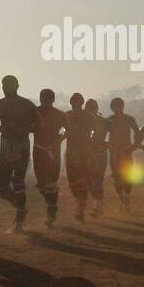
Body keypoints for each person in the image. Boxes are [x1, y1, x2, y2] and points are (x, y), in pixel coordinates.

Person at [0, 75, 39, 233]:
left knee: (18, 181)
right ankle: (20, 208)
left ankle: (19, 221)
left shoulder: (27, 105)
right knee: (3, 186)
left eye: (8, 85)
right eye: (4, 85)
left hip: (21, 145)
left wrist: (24, 129)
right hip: (6, 146)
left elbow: (39, 124)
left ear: (16, 86)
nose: (5, 88)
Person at [32, 88, 68, 228]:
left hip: (53, 151)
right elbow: (28, 127)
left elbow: (67, 129)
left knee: (50, 182)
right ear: (40, 99)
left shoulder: (59, 114)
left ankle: (51, 212)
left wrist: (58, 139)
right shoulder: (34, 112)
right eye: (44, 98)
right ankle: (51, 206)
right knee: (42, 184)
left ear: (52, 100)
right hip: (39, 150)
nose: (46, 101)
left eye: (48, 98)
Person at [62, 92, 93, 222]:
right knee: (73, 180)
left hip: (82, 151)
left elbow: (94, 132)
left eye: (77, 102)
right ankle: (80, 203)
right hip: (74, 150)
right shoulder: (67, 116)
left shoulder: (88, 116)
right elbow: (63, 132)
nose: (75, 104)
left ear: (81, 103)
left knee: (81, 179)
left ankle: (81, 207)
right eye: (74, 102)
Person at [107, 97, 140, 213]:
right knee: (116, 177)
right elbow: (101, 134)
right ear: (112, 107)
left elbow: (137, 132)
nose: (117, 108)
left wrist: (135, 144)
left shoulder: (129, 119)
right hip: (114, 151)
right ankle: (122, 200)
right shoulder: (109, 120)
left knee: (127, 175)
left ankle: (125, 197)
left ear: (122, 106)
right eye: (115, 106)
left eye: (119, 105)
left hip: (126, 150)